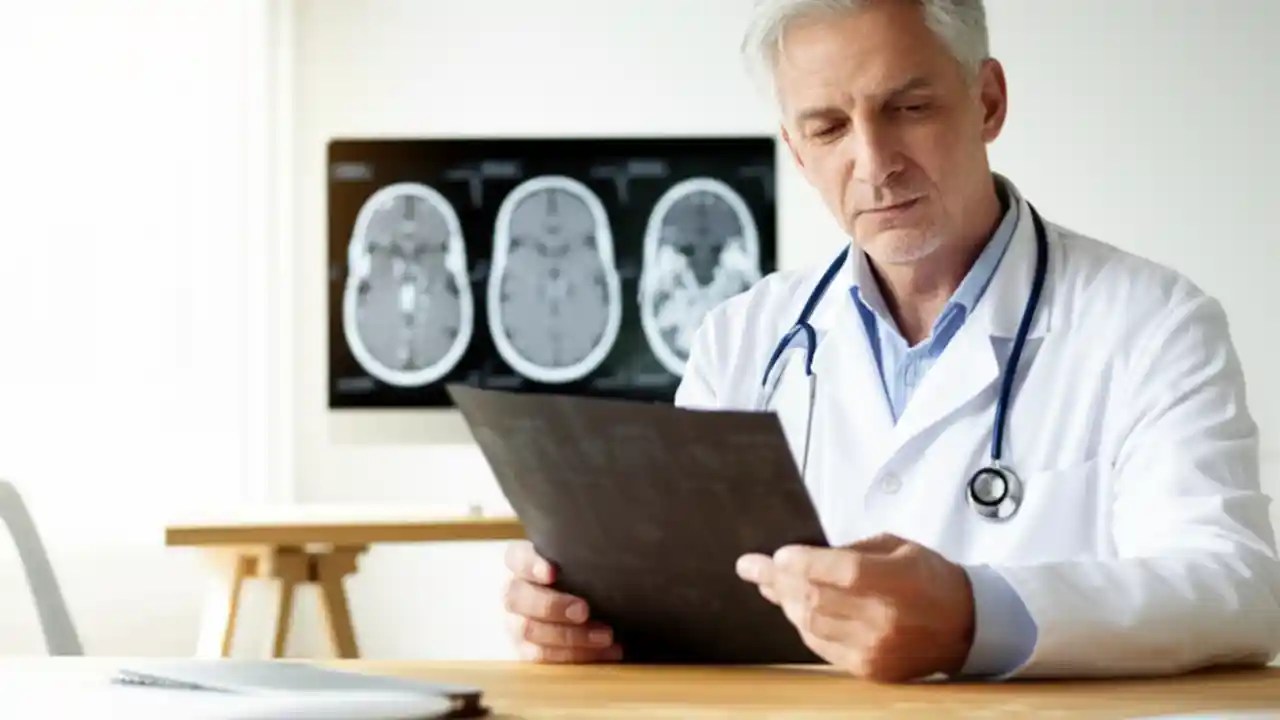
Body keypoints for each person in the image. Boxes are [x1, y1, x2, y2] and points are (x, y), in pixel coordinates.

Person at [500, 0, 1280, 681]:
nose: (873, 163)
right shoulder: (744, 338)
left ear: (988, 101)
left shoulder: (1150, 322)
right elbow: (684, 594)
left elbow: (1237, 590)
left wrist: (975, 616)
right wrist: (594, 621)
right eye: (829, 127)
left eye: (908, 108)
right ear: (798, 150)